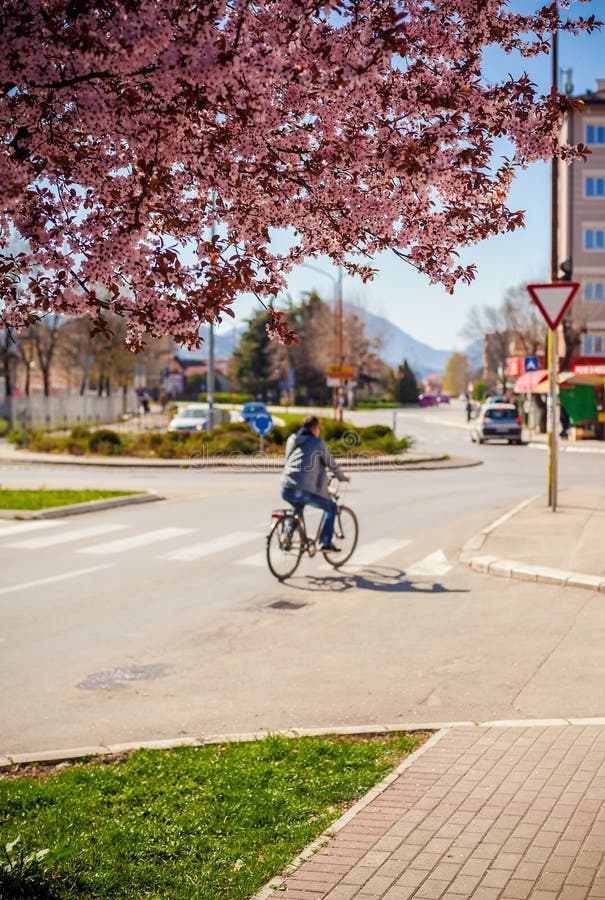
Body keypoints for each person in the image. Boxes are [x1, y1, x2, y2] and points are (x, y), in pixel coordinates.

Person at [281, 415, 350, 552]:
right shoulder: (317, 443)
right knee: (331, 507)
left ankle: (287, 536)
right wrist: (342, 477)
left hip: (285, 487)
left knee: (297, 508)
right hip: (302, 489)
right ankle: (325, 542)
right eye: (319, 428)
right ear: (315, 428)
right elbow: (331, 464)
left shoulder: (292, 439)